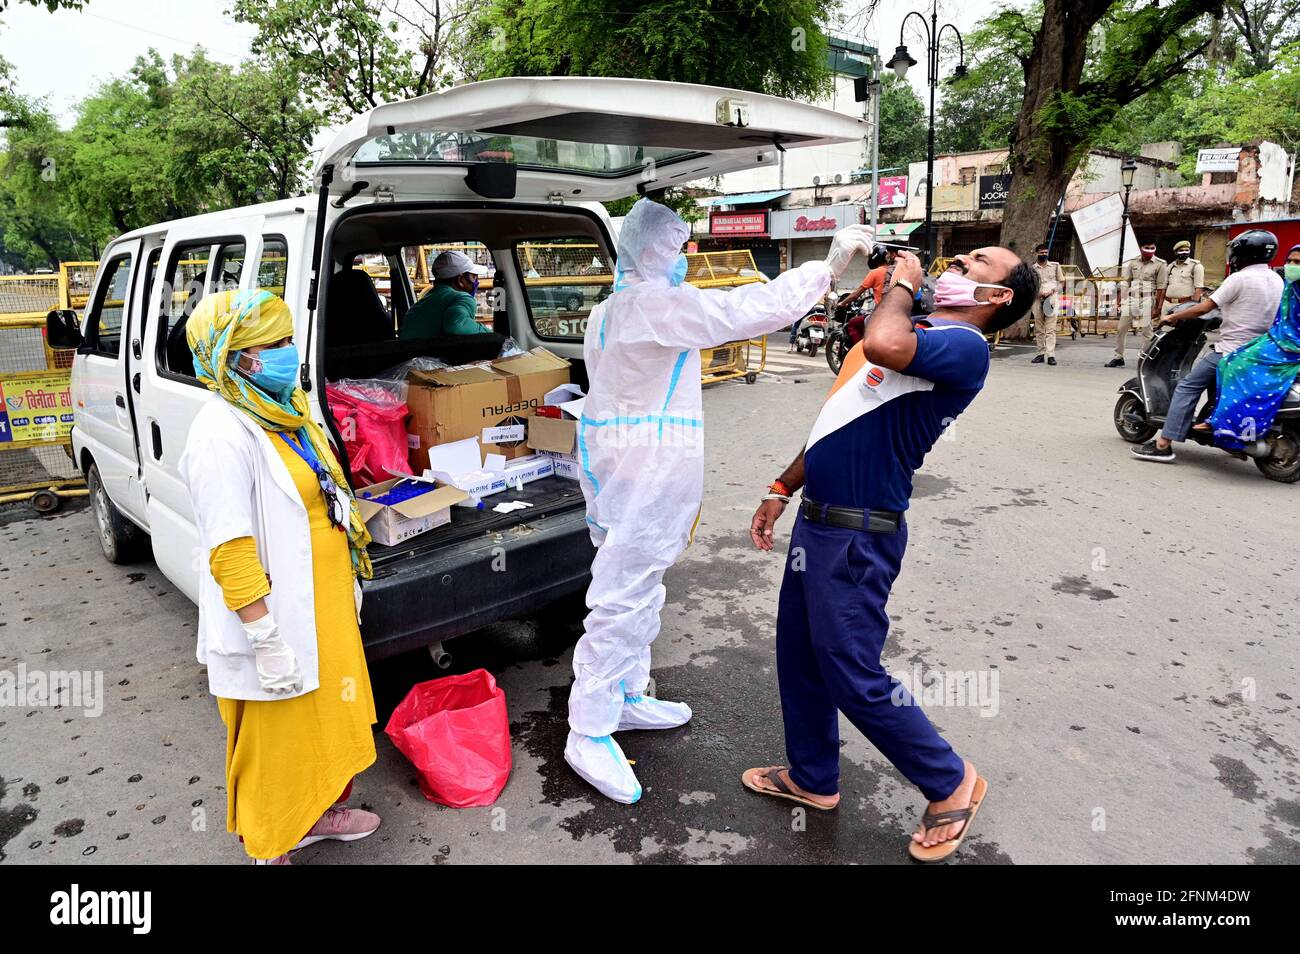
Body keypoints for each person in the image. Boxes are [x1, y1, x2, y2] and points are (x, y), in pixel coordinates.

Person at [566, 198, 873, 804]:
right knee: (621, 595)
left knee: (639, 587)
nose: (682, 260)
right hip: (642, 473)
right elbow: (744, 310)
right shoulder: (651, 305)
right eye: (677, 249)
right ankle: (589, 728)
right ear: (656, 251)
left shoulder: (609, 307)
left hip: (619, 467)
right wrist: (827, 268)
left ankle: (624, 696)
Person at [743, 246, 1039, 862]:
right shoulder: (918, 332)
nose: (959, 259)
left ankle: (949, 778)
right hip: (817, 523)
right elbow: (837, 422)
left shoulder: (964, 346)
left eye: (978, 261)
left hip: (857, 535)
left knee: (852, 671)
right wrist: (781, 487)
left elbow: (881, 344)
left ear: (999, 297)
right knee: (800, 657)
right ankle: (813, 778)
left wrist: (900, 283)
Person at [179, 289, 381, 864]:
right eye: (275, 344)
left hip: (323, 608)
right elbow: (231, 549)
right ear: (233, 356)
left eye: (290, 340)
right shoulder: (220, 433)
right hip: (274, 622)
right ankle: (272, 846)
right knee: (277, 745)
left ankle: (315, 814)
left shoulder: (283, 411)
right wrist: (265, 640)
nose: (290, 353)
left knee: (328, 722)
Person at [1132, 229, 1282, 463]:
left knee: (1187, 387)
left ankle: (1163, 444)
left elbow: (1204, 307)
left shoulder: (1239, 279)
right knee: (1218, 391)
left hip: (1231, 351)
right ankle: (1228, 440)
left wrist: (1173, 318)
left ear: (1244, 253)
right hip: (1259, 351)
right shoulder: (1276, 280)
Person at [1205, 246, 1300, 450]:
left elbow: (1208, 306)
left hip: (1290, 345)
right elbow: (1279, 320)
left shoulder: (1239, 278)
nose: (1292, 266)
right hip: (1277, 337)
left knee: (1232, 365)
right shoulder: (1288, 286)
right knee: (1230, 361)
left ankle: (1225, 424)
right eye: (1290, 261)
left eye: (1298, 263)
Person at [399, 249, 491, 338]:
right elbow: (456, 325)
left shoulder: (423, 302)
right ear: (460, 281)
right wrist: (491, 334)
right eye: (474, 277)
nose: (476, 282)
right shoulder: (462, 298)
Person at [1106, 242, 1167, 367]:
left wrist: (1158, 307)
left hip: (1148, 298)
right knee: (1121, 328)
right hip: (1132, 297)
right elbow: (1126, 281)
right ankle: (1118, 357)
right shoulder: (1133, 262)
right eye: (1147, 248)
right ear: (1141, 248)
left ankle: (1146, 359)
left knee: (1146, 330)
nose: (1150, 250)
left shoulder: (1160, 264)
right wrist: (1120, 299)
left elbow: (1161, 287)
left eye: (1152, 248)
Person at [1030, 242, 1064, 365]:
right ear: (1037, 253)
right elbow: (1030, 285)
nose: (1044, 254)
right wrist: (1038, 293)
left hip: (1051, 299)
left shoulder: (1055, 266)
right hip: (1037, 300)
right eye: (1042, 253)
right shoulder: (1032, 269)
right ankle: (1040, 354)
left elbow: (1061, 283)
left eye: (1046, 253)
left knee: (1050, 329)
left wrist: (1052, 291)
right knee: (1039, 328)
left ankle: (1051, 355)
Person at [1160, 240, 1204, 316]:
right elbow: (1164, 288)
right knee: (1165, 327)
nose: (1184, 252)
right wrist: (1159, 306)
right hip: (1167, 304)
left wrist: (1192, 307)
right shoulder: (1171, 266)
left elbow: (1198, 289)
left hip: (1184, 305)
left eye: (1187, 250)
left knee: (1180, 327)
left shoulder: (1195, 266)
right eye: (1181, 250)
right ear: (1176, 252)